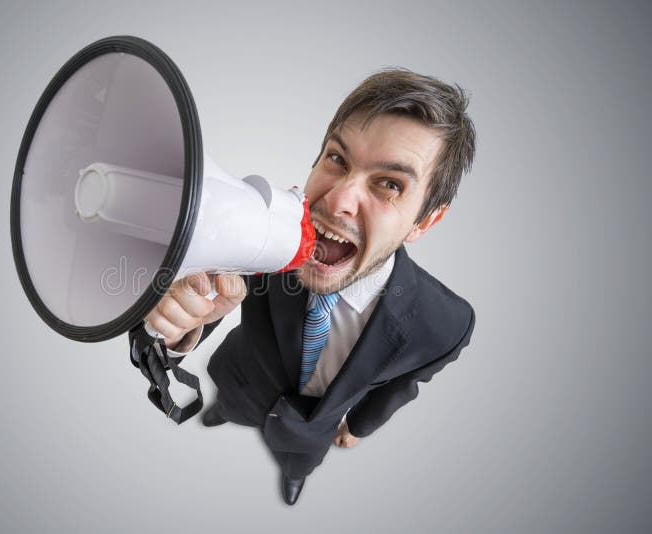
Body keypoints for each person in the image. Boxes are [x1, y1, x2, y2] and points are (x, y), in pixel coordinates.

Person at [142, 68, 477, 505]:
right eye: (338, 159)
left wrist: (358, 427)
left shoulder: (447, 324)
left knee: (296, 465)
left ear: (425, 221)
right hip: (240, 383)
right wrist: (181, 326)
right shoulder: (263, 232)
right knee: (225, 408)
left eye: (390, 184)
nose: (337, 200)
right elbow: (209, 290)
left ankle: (294, 477)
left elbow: (405, 383)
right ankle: (221, 413)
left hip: (308, 436)